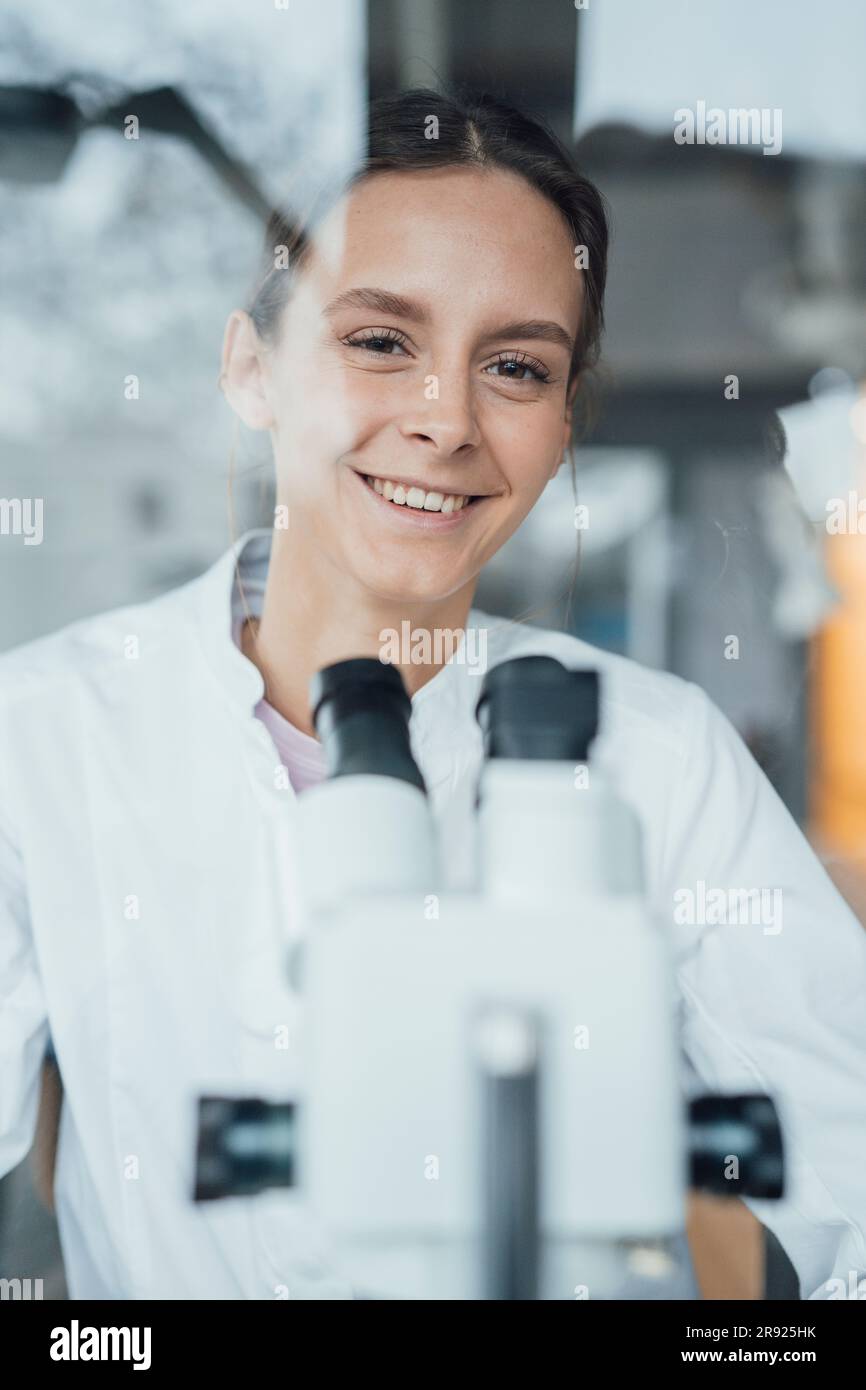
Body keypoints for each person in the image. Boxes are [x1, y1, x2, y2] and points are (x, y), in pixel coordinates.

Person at [1, 87, 864, 1301]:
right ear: (253, 367)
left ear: (561, 425)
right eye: (379, 340)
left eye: (514, 366)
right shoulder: (44, 736)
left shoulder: (658, 759)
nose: (444, 419)